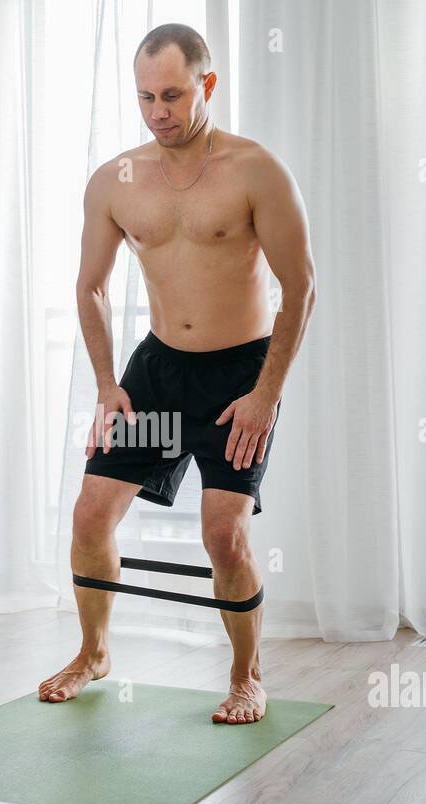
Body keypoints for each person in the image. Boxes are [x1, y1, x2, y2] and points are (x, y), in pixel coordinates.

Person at [39, 23, 315, 724]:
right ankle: (94, 651)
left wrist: (266, 396)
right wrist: (106, 383)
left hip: (238, 377)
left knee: (224, 532)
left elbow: (301, 285)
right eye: (145, 97)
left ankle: (247, 676)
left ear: (207, 86)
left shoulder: (256, 170)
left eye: (172, 94)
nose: (158, 110)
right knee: (89, 514)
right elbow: (90, 286)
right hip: (157, 371)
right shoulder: (116, 180)